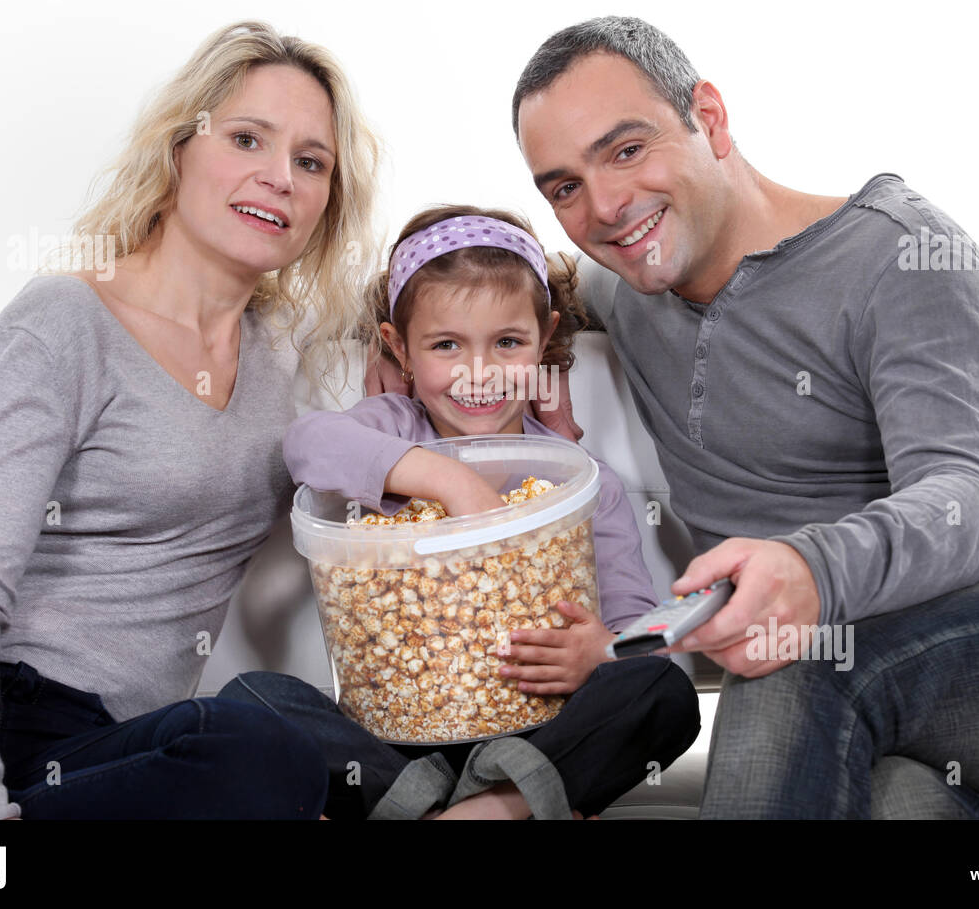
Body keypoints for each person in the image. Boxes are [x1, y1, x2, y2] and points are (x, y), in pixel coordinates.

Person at [510, 16, 979, 819]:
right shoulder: (627, 285)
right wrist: (401, 329)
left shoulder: (901, 256)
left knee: (792, 651)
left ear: (708, 118)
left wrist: (809, 572)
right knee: (901, 805)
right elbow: (504, 280)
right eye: (564, 186)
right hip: (895, 728)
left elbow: (968, 501)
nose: (605, 205)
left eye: (627, 149)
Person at [0, 20, 380, 819]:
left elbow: (447, 287)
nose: (280, 177)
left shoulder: (287, 348)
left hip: (87, 741)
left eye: (311, 162)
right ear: (179, 152)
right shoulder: (65, 320)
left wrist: (550, 331)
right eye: (246, 139)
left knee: (266, 758)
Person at [219, 205, 700, 819]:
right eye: (446, 345)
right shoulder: (393, 427)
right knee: (251, 700)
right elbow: (306, 444)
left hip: (534, 726)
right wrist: (448, 479)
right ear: (401, 349)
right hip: (396, 733)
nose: (480, 372)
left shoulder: (580, 482)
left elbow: (640, 631)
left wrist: (601, 653)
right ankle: (472, 806)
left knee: (663, 691)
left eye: (507, 343)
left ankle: (489, 806)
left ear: (543, 341)